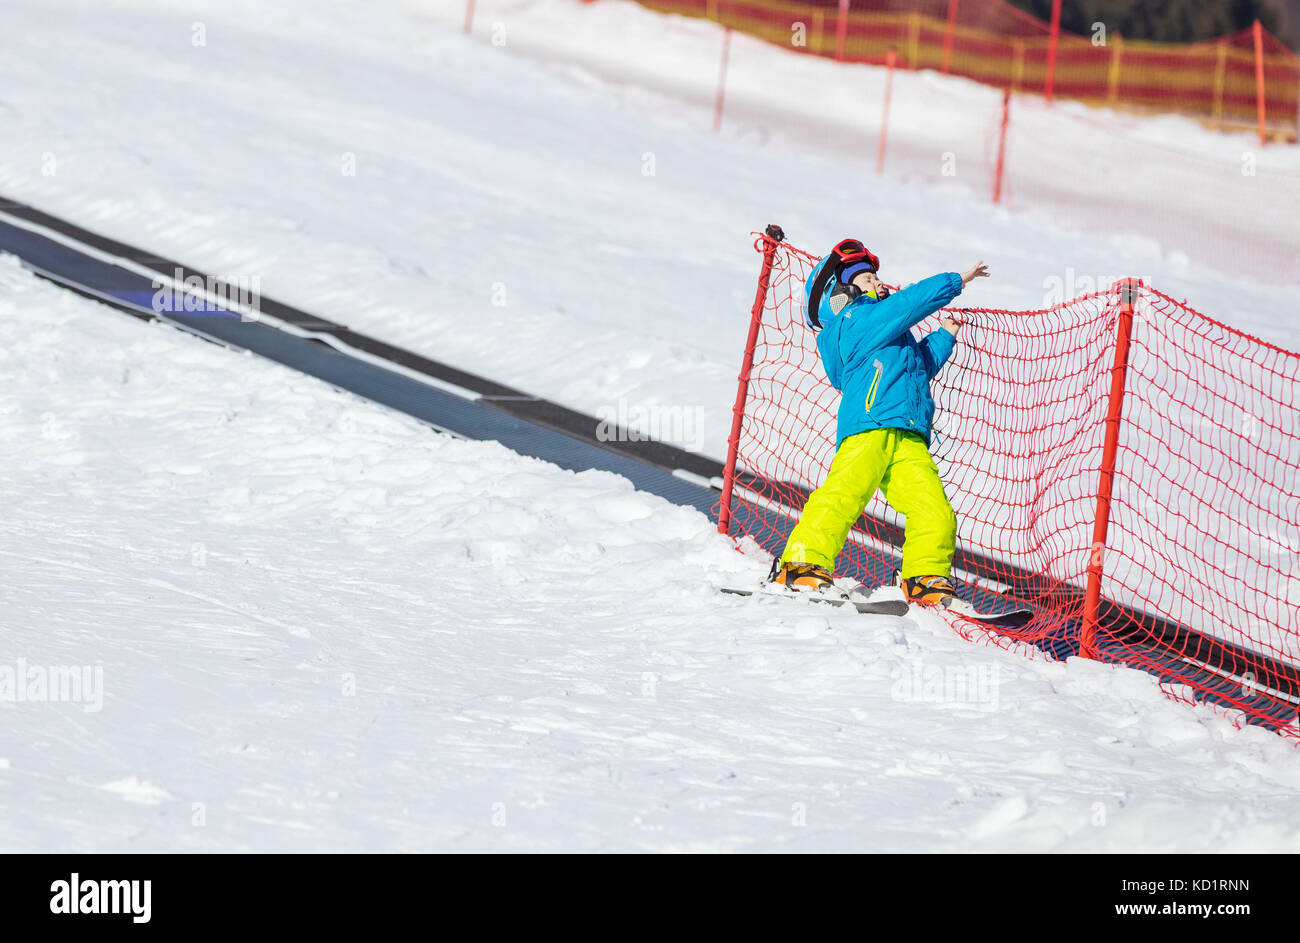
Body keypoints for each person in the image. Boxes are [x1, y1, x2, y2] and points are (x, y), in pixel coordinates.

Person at [768, 238, 989, 608]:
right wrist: (956, 281)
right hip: (869, 427)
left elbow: (916, 368)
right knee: (843, 496)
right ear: (843, 293)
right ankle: (801, 564)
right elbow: (909, 303)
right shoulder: (854, 322)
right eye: (868, 279)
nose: (880, 283)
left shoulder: (884, 332)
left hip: (907, 436)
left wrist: (944, 337)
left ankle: (924, 577)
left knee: (932, 509)